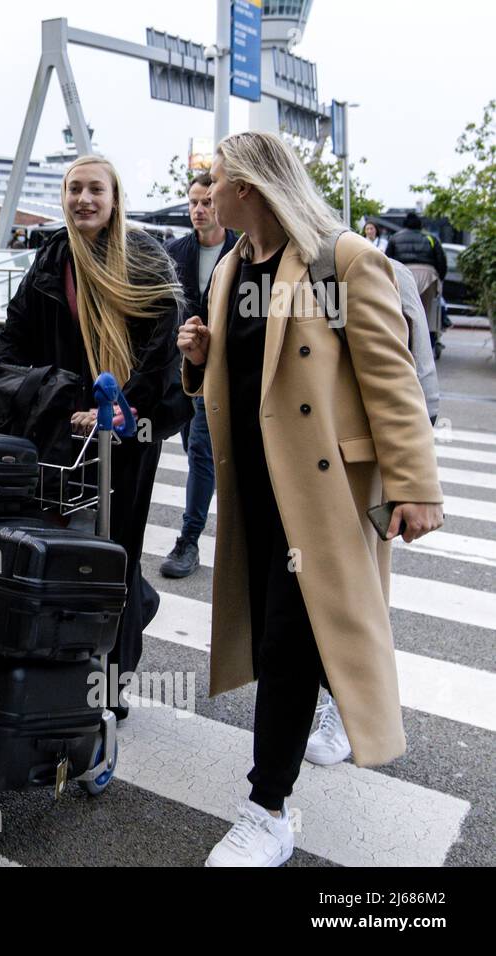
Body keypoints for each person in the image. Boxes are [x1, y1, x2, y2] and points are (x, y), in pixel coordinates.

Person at [178, 132, 443, 866]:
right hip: (257, 490)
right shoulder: (232, 268)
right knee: (279, 628)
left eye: (217, 178)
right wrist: (198, 362)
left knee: (285, 643)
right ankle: (323, 706)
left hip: (325, 492)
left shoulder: (342, 259)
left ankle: (267, 809)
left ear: (250, 189)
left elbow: (390, 382)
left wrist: (415, 486)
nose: (205, 191)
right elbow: (241, 378)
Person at [0, 154, 183, 717]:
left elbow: (162, 344)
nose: (83, 199)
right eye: (74, 189)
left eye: (94, 190)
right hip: (66, 422)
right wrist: (22, 393)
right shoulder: (54, 254)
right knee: (65, 540)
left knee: (114, 551)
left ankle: (110, 680)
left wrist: (124, 406)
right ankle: (67, 658)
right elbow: (16, 332)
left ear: (114, 196)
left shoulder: (144, 255)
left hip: (125, 425)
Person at [160, 172, 237, 579]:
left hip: (221, 371)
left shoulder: (242, 252)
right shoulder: (174, 252)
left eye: (207, 201)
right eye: (193, 202)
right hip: (181, 371)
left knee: (203, 451)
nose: (199, 209)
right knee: (196, 452)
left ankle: (188, 539)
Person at [386, 211, 449, 357]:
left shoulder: (395, 238)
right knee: (427, 314)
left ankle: (405, 345)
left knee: (403, 311)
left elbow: (388, 260)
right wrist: (440, 279)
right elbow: (441, 260)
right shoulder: (430, 237)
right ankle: (429, 347)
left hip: (403, 274)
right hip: (428, 275)